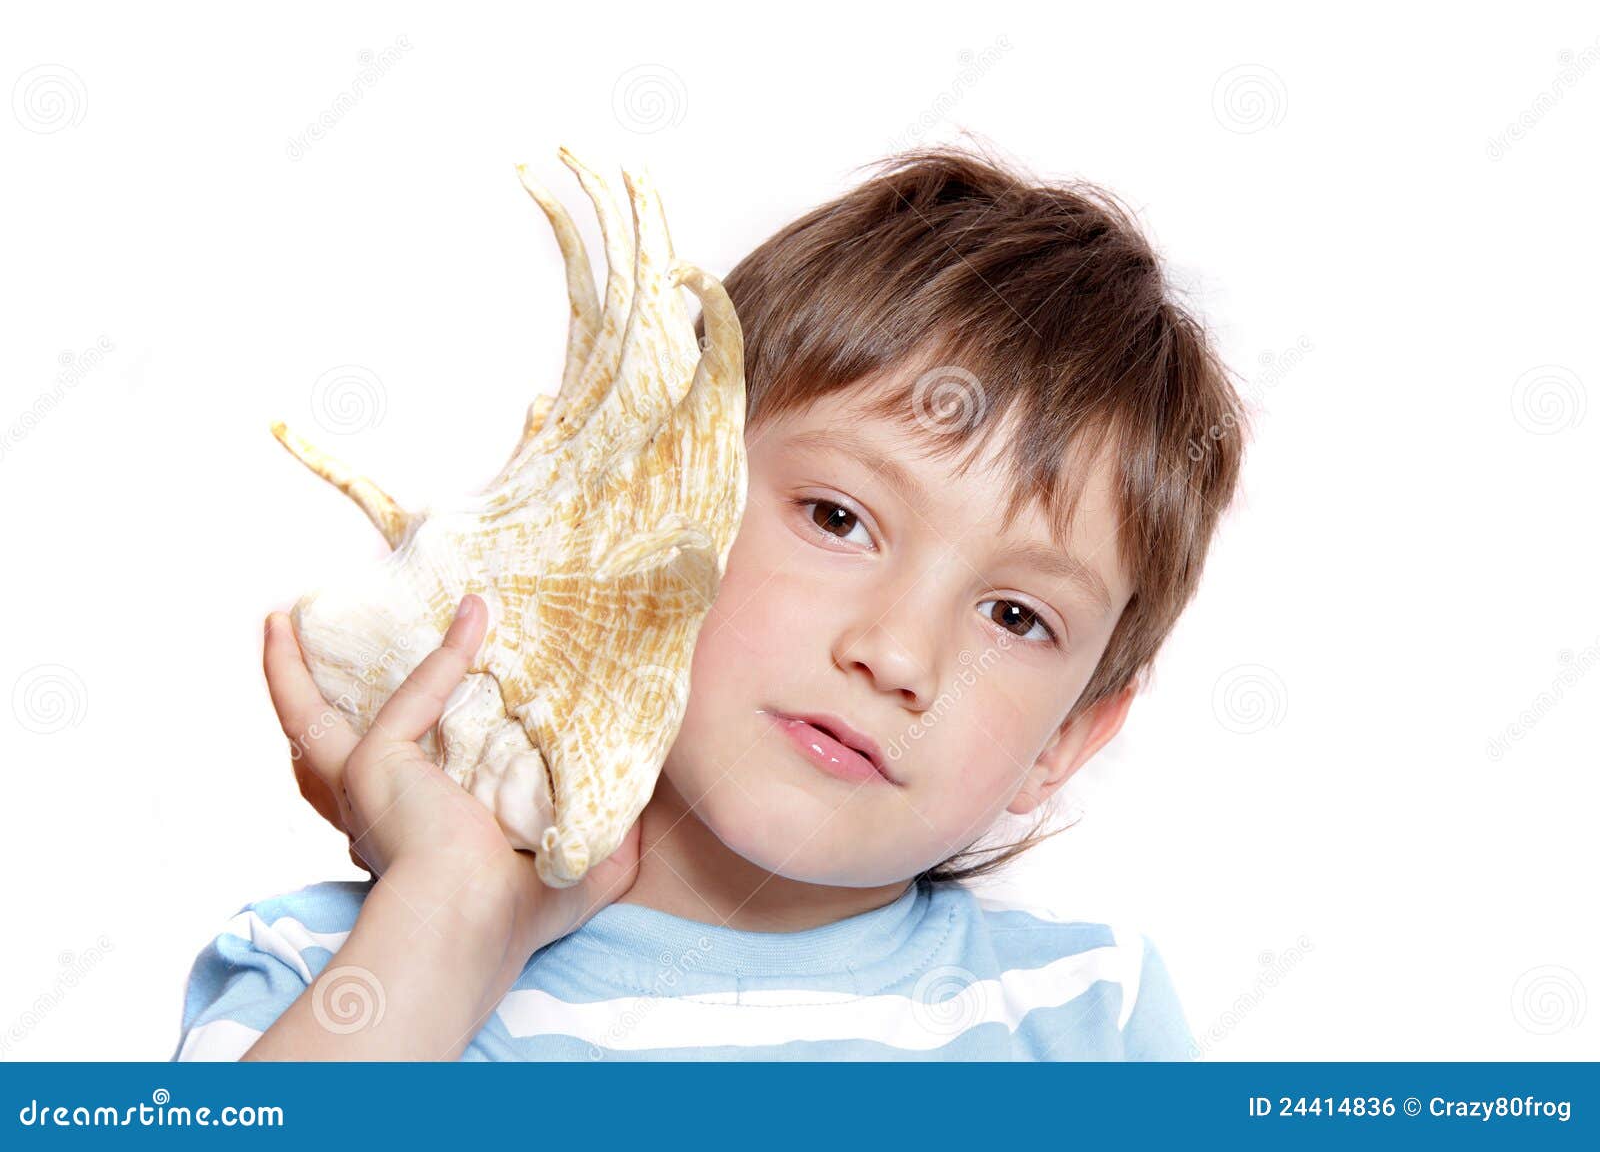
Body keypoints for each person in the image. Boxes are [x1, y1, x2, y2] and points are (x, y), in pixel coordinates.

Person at [173, 141, 1249, 1061]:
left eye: (1015, 616)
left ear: (1071, 731)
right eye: (837, 517)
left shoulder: (1086, 1018)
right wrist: (447, 914)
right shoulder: (346, 977)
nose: (896, 651)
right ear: (655, 504)